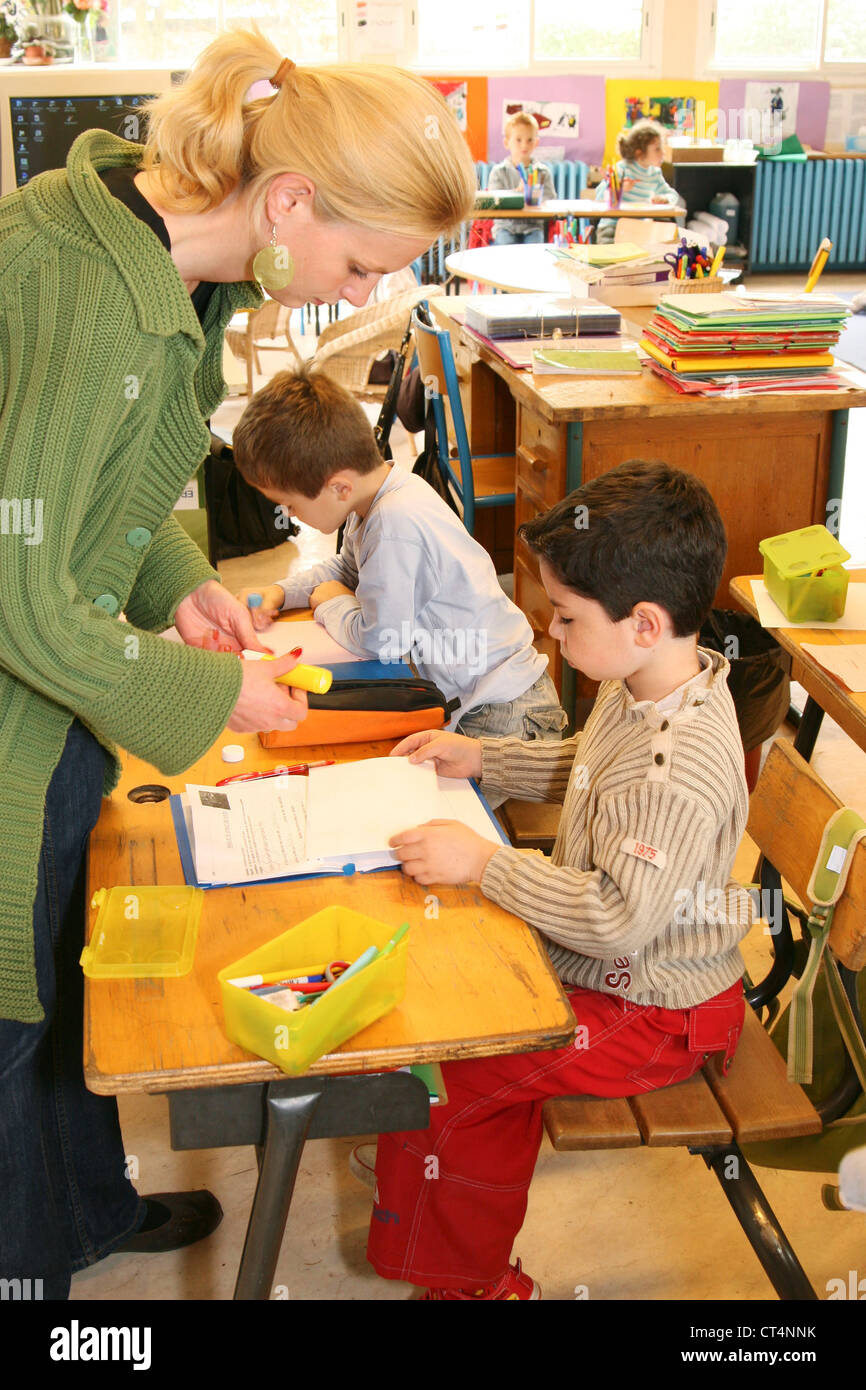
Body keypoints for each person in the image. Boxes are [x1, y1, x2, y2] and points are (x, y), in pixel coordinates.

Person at [0, 26, 477, 1299]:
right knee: (4, 1027)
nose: (342, 293)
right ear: (285, 201)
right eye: (357, 261)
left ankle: (85, 1209)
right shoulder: (80, 285)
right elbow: (18, 588)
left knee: (61, 986)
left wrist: (184, 582)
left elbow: (98, 496)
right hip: (14, 705)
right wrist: (217, 690)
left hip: (52, 719)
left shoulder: (173, 270)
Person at [367, 460, 754, 1299]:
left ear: (644, 622)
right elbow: (587, 766)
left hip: (655, 1010)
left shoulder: (675, 769)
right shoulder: (645, 682)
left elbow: (617, 920)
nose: (550, 635)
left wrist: (490, 863)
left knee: (454, 1068)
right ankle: (436, 1196)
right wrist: (486, 756)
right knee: (449, 1004)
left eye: (567, 617)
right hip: (617, 975)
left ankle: (470, 1281)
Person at [233, 368, 567, 808]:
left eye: (290, 504)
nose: (291, 516)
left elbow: (380, 640)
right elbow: (347, 569)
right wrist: (283, 591)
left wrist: (329, 606)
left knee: (420, 820)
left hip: (506, 718)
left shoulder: (395, 522)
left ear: (338, 486)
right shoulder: (376, 497)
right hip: (476, 700)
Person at [595, 119, 679, 243]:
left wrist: (665, 198)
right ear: (640, 153)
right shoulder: (622, 169)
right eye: (657, 149)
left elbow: (673, 195)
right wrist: (618, 187)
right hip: (613, 227)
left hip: (638, 229)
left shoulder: (654, 174)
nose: (663, 153)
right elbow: (599, 196)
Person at [487, 111, 556, 245]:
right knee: (505, 250)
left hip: (533, 227)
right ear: (507, 143)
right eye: (518, 140)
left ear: (536, 142)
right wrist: (516, 195)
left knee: (535, 251)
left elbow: (550, 200)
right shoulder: (499, 172)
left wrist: (532, 195)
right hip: (506, 227)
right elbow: (494, 203)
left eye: (530, 140)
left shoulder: (542, 172)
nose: (524, 145)